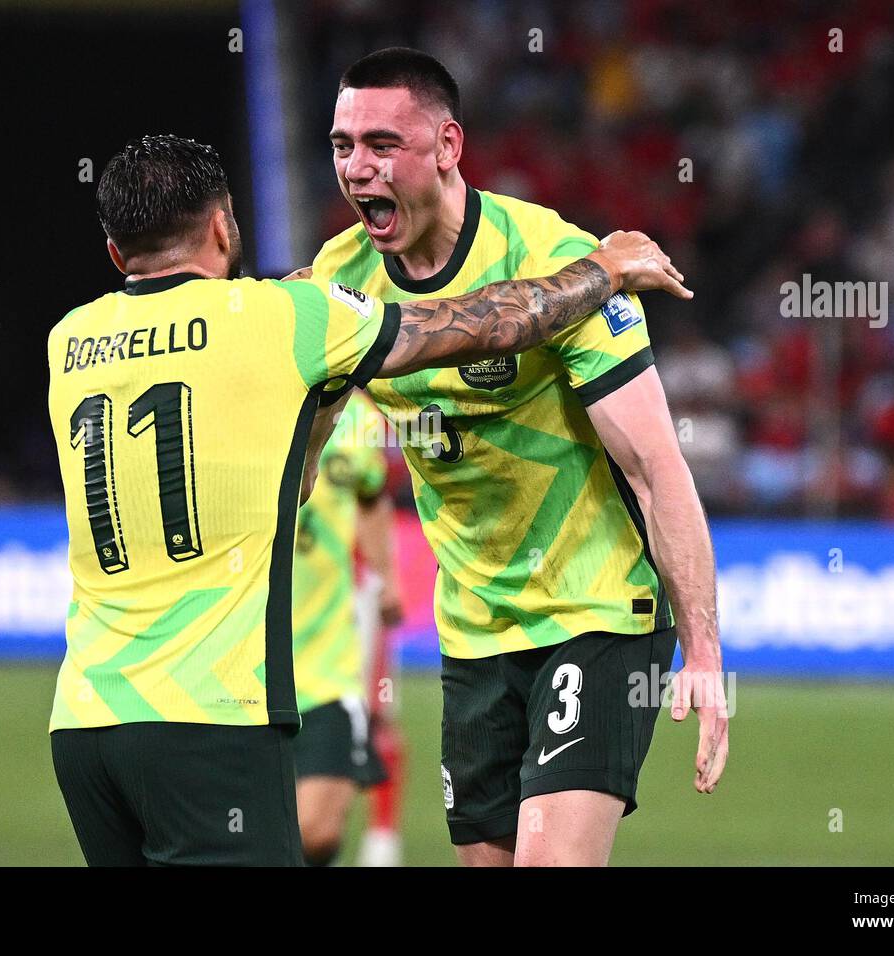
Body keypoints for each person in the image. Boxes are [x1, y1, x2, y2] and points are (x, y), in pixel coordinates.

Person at [46, 132, 690, 866]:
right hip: (208, 719)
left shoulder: (69, 342)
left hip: (85, 721)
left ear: (113, 252)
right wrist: (600, 270)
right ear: (224, 227)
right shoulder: (283, 318)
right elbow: (481, 323)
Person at [298, 48, 726, 866]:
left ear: (449, 147)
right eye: (342, 145)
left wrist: (703, 649)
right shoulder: (339, 279)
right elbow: (309, 445)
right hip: (475, 625)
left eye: (383, 144)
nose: (357, 168)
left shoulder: (554, 258)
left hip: (596, 607)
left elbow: (655, 468)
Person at [290, 390, 398, 865]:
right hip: (241, 666)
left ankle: (383, 836)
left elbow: (372, 494)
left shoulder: (359, 418)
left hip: (327, 653)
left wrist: (387, 575)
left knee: (315, 833)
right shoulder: (246, 392)